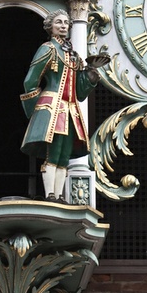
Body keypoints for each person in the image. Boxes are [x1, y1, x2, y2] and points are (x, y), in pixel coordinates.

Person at [20, 10, 100, 202]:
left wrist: (91, 74)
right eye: (59, 22)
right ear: (50, 26)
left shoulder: (73, 56)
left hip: (71, 109)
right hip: (52, 107)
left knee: (64, 154)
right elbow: (30, 81)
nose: (63, 25)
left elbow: (80, 92)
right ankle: (50, 195)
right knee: (53, 151)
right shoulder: (48, 49)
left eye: (66, 22)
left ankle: (58, 195)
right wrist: (36, 111)